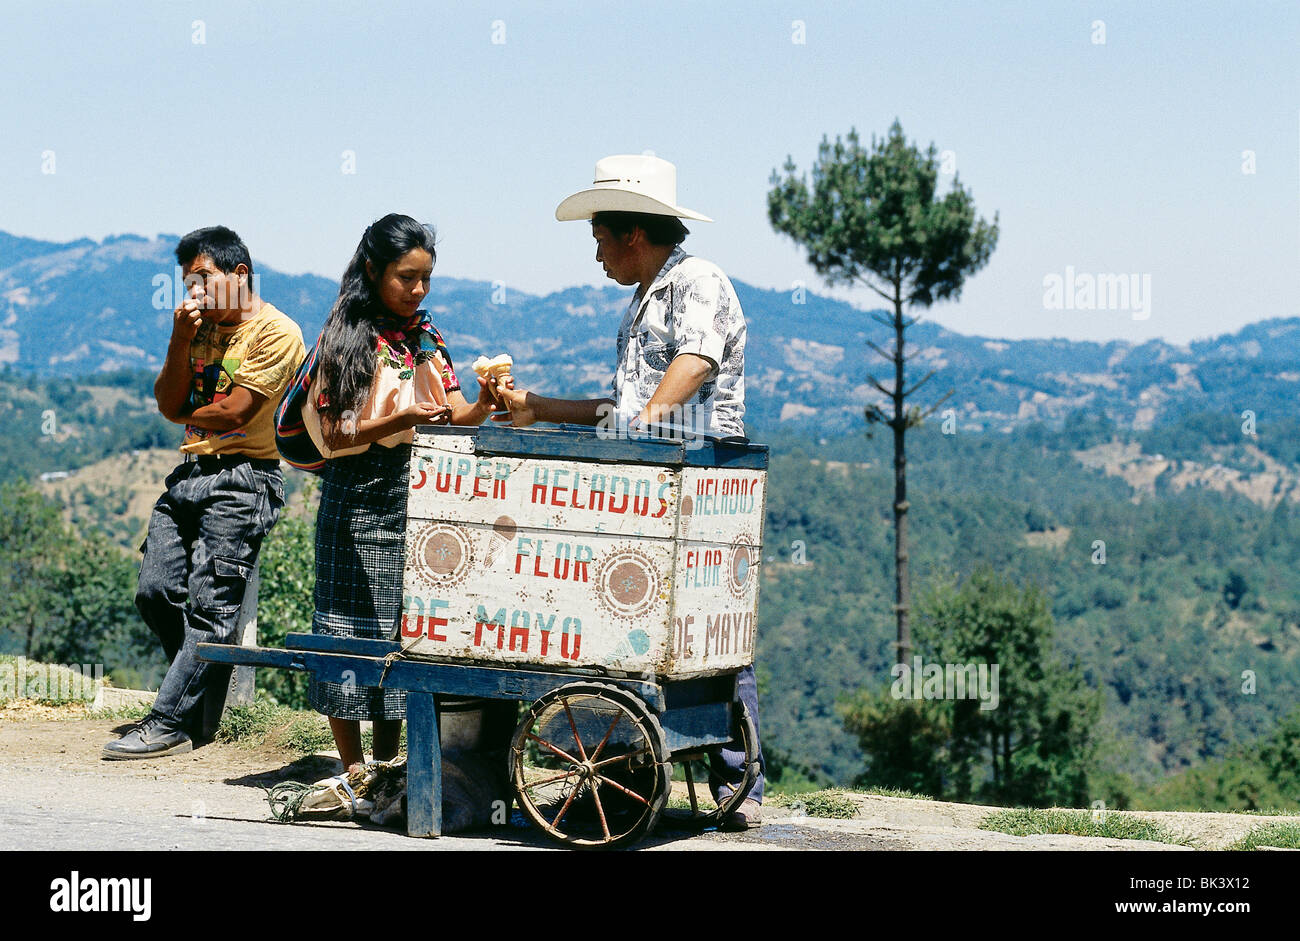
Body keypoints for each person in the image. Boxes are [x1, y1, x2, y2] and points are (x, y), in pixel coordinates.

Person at [496, 154, 765, 829]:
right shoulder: (641, 303)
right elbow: (621, 406)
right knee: (643, 620)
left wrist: (643, 433)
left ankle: (741, 776)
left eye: (600, 241)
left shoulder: (698, 280)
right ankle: (632, 764)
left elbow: (694, 363)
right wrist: (537, 407)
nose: (597, 257)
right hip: (651, 478)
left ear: (632, 236)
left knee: (710, 623)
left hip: (701, 475)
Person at [305, 213, 506, 774]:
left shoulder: (425, 336)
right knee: (347, 626)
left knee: (400, 629)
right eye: (405, 277)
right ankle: (353, 768)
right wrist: (397, 418)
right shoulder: (346, 340)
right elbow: (333, 434)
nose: (417, 289)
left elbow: (453, 416)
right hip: (356, 493)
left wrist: (486, 403)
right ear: (373, 271)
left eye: (425, 278)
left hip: (414, 497)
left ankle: (391, 765)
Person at [104, 226, 305, 759]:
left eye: (204, 280)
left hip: (245, 479)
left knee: (213, 610)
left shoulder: (277, 332)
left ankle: (168, 721)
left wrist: (176, 412)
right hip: (191, 472)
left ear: (239, 275)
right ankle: (199, 699)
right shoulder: (197, 330)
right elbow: (167, 394)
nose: (194, 294)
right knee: (154, 591)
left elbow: (234, 412)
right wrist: (177, 341)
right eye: (187, 283)